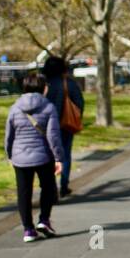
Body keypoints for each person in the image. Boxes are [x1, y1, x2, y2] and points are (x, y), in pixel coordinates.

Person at [5, 71, 64, 242]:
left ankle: (28, 230)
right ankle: (44, 220)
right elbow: (53, 136)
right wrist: (59, 158)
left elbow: (9, 135)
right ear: (44, 88)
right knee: (48, 188)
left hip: (19, 157)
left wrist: (9, 154)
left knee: (24, 193)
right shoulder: (49, 107)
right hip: (43, 156)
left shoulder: (15, 108)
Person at [43, 56, 85, 199]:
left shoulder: (44, 84)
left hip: (46, 126)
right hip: (66, 125)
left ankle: (51, 187)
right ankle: (64, 185)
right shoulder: (69, 83)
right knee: (65, 155)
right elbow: (79, 103)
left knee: (49, 156)